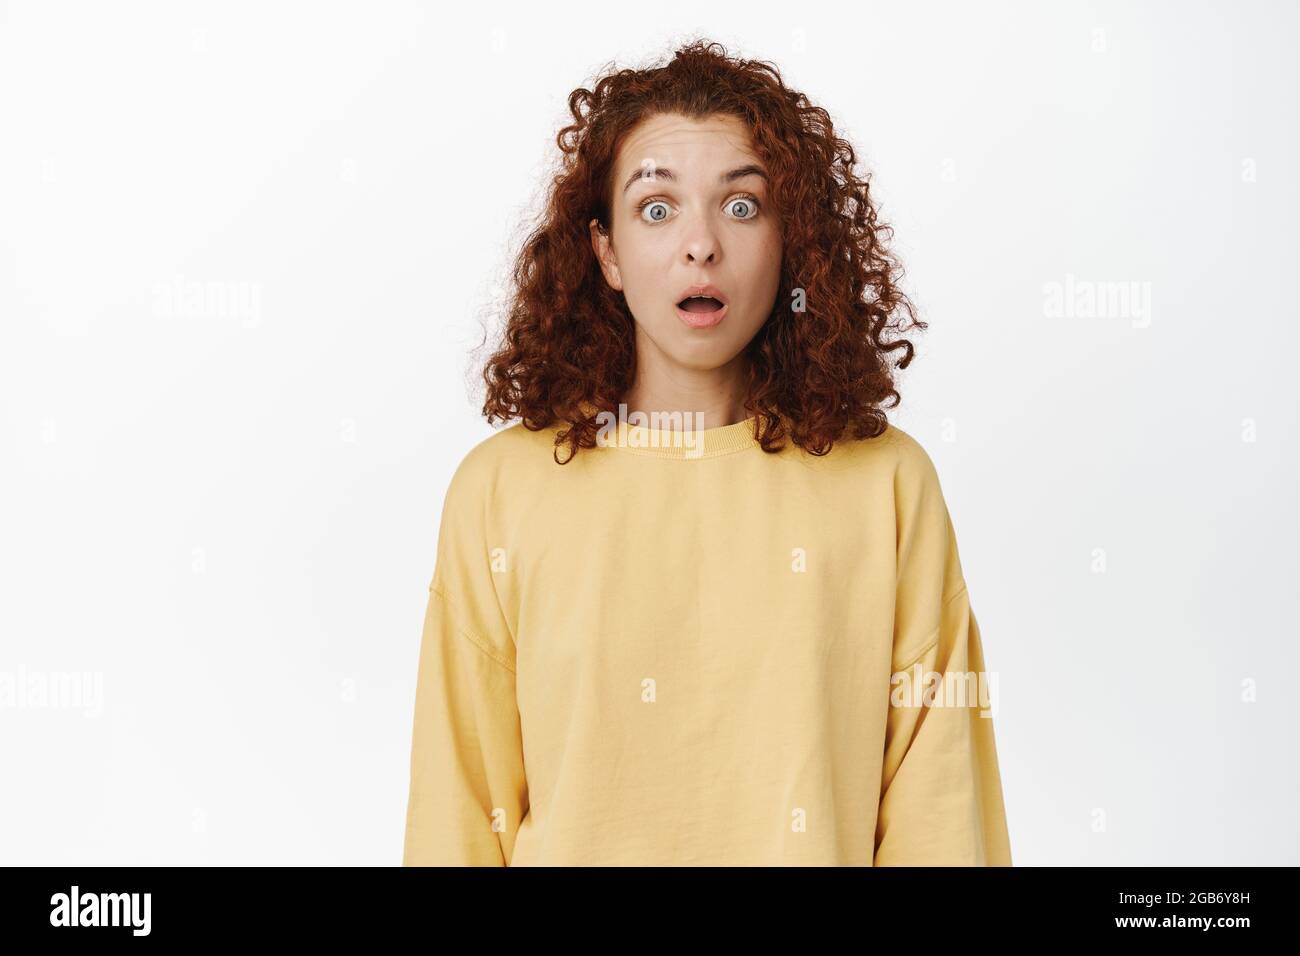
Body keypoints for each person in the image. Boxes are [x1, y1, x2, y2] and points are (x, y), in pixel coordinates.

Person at [402, 39, 1012, 866]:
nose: (700, 246)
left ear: (790, 239)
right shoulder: (501, 493)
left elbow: (939, 812)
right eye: (657, 208)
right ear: (607, 253)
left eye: (742, 206)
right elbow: (461, 812)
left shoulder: (887, 486)